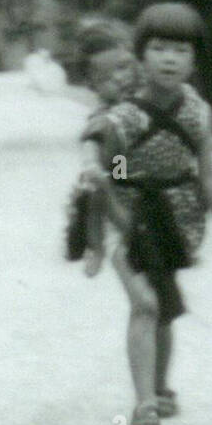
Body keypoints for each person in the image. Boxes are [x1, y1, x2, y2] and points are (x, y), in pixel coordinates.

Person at [76, 3, 212, 425]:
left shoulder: (199, 113)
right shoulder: (124, 116)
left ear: (193, 60)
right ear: (141, 57)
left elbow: (208, 173)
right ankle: (145, 402)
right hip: (125, 217)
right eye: (160, 48)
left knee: (162, 306)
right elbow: (95, 148)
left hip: (175, 221)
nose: (170, 59)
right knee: (146, 303)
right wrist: (93, 173)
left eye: (181, 51)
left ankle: (160, 388)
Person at [65, 29, 141, 278]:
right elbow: (91, 139)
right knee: (100, 193)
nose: (123, 79)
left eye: (126, 68)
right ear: (93, 85)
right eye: (111, 76)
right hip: (117, 163)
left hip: (142, 165)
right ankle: (96, 246)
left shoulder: (140, 100)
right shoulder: (103, 115)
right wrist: (90, 164)